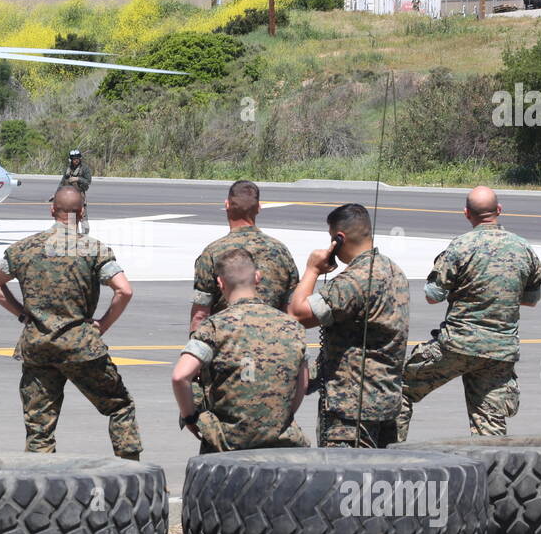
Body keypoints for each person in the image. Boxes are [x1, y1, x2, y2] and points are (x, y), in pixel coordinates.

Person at [0, 185, 142, 459]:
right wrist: (102, 324)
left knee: (39, 428)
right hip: (81, 346)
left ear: (52, 210)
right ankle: (132, 471)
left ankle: (40, 486)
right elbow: (124, 290)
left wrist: (22, 313)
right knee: (118, 406)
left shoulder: (24, 248)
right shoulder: (93, 249)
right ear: (81, 212)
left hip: (38, 346)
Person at [397, 186, 541, 440]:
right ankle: (493, 473)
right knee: (489, 424)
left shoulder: (460, 247)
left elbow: (433, 296)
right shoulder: (524, 249)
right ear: (498, 210)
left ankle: (386, 456)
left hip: (458, 344)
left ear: (467, 214)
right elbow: (531, 300)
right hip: (499, 351)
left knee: (398, 390)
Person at [289, 203, 409, 448]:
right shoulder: (394, 271)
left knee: (346, 482)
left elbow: (297, 314)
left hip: (352, 411)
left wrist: (312, 269)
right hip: (385, 402)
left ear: (339, 239)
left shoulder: (354, 281)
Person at [172, 248, 309, 452]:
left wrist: (190, 416)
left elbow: (180, 376)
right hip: (281, 443)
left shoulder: (215, 327)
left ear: (220, 283)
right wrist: (278, 421)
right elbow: (302, 384)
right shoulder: (293, 327)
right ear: (258, 277)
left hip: (227, 444)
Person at [189, 180, 299, 332]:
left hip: (228, 345)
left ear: (227, 205)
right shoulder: (281, 251)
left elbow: (201, 315)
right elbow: (291, 311)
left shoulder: (213, 252)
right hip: (272, 345)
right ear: (259, 208)